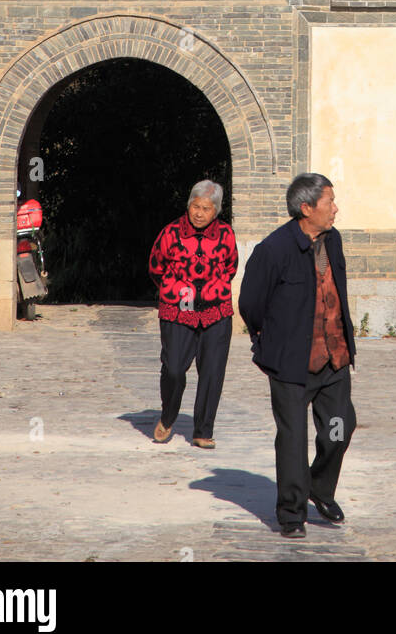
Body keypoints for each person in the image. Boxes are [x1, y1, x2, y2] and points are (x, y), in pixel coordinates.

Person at [239, 173, 356, 537]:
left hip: (334, 359)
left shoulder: (332, 240)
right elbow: (250, 303)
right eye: (329, 203)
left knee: (338, 429)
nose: (335, 208)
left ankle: (319, 489)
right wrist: (268, 343)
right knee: (292, 440)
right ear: (306, 208)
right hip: (291, 364)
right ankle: (291, 514)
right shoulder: (273, 250)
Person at [148, 180, 238, 448]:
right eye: (195, 206)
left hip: (217, 310)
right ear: (188, 205)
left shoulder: (226, 234)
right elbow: (156, 266)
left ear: (216, 211)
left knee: (212, 372)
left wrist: (212, 291)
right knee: (174, 368)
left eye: (206, 208)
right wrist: (175, 291)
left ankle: (203, 430)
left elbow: (231, 266)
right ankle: (167, 416)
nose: (199, 213)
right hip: (178, 310)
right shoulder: (170, 233)